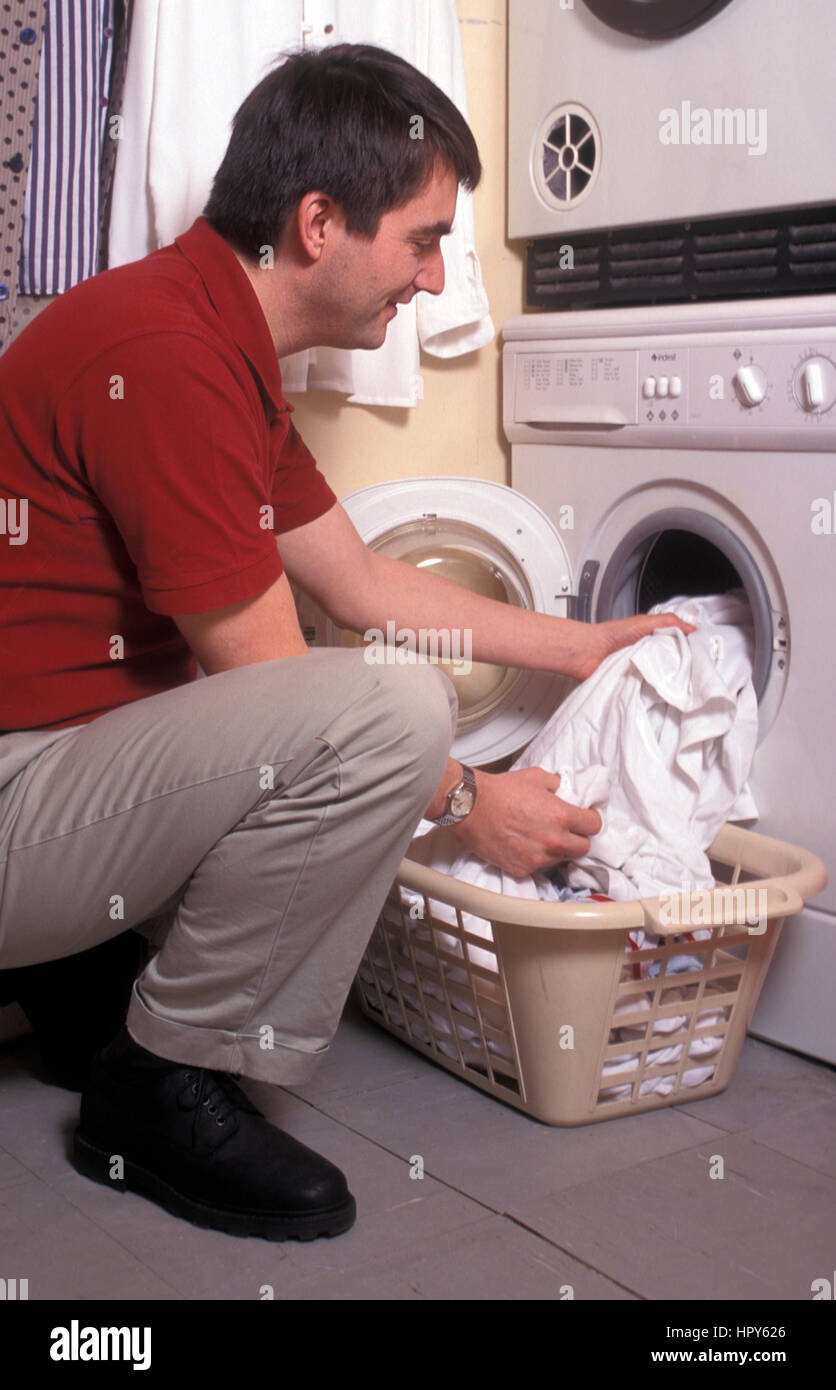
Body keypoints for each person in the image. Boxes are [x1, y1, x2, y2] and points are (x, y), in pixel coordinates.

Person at [0, 44, 691, 1242]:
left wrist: (586, 647)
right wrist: (472, 799)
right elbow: (279, 684)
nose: (431, 279)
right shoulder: (163, 353)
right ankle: (151, 1092)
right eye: (422, 240)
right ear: (319, 222)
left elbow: (361, 578)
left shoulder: (214, 339)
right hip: (22, 802)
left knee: (368, 691)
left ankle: (79, 980)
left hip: (59, 781)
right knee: (387, 709)